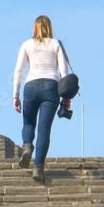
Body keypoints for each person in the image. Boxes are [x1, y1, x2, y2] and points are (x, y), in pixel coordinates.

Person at [13, 15, 72, 182]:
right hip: (51, 87)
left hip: (30, 86)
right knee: (44, 130)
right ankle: (38, 168)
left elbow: (18, 71)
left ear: (34, 28)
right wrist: (66, 97)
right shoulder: (55, 44)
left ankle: (27, 146)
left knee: (28, 122)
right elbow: (64, 72)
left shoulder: (27, 44)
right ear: (49, 28)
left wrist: (15, 95)